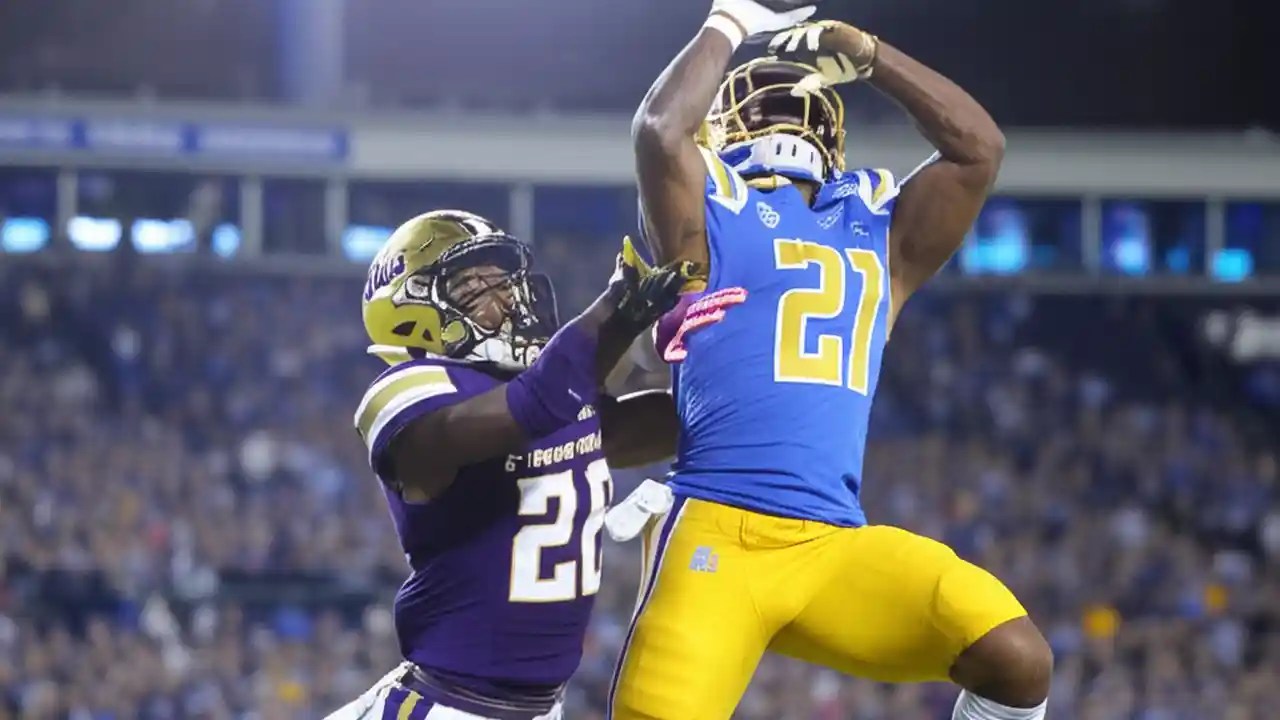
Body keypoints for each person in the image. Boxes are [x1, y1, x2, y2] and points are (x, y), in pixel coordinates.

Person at [607, 2, 1054, 719]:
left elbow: (979, 148)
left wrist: (870, 52)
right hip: (716, 534)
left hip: (829, 543)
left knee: (1014, 655)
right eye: (766, 104)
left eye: (799, 104)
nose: (785, 118)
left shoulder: (880, 233)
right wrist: (728, 20)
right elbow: (660, 131)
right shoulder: (709, 217)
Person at [330, 210, 688, 720]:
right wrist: (619, 310)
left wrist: (727, 359)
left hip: (540, 710)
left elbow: (679, 422)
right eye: (474, 287)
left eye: (504, 280)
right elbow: (533, 407)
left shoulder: (555, 393)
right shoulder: (414, 393)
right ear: (412, 316)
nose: (507, 298)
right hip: (445, 706)